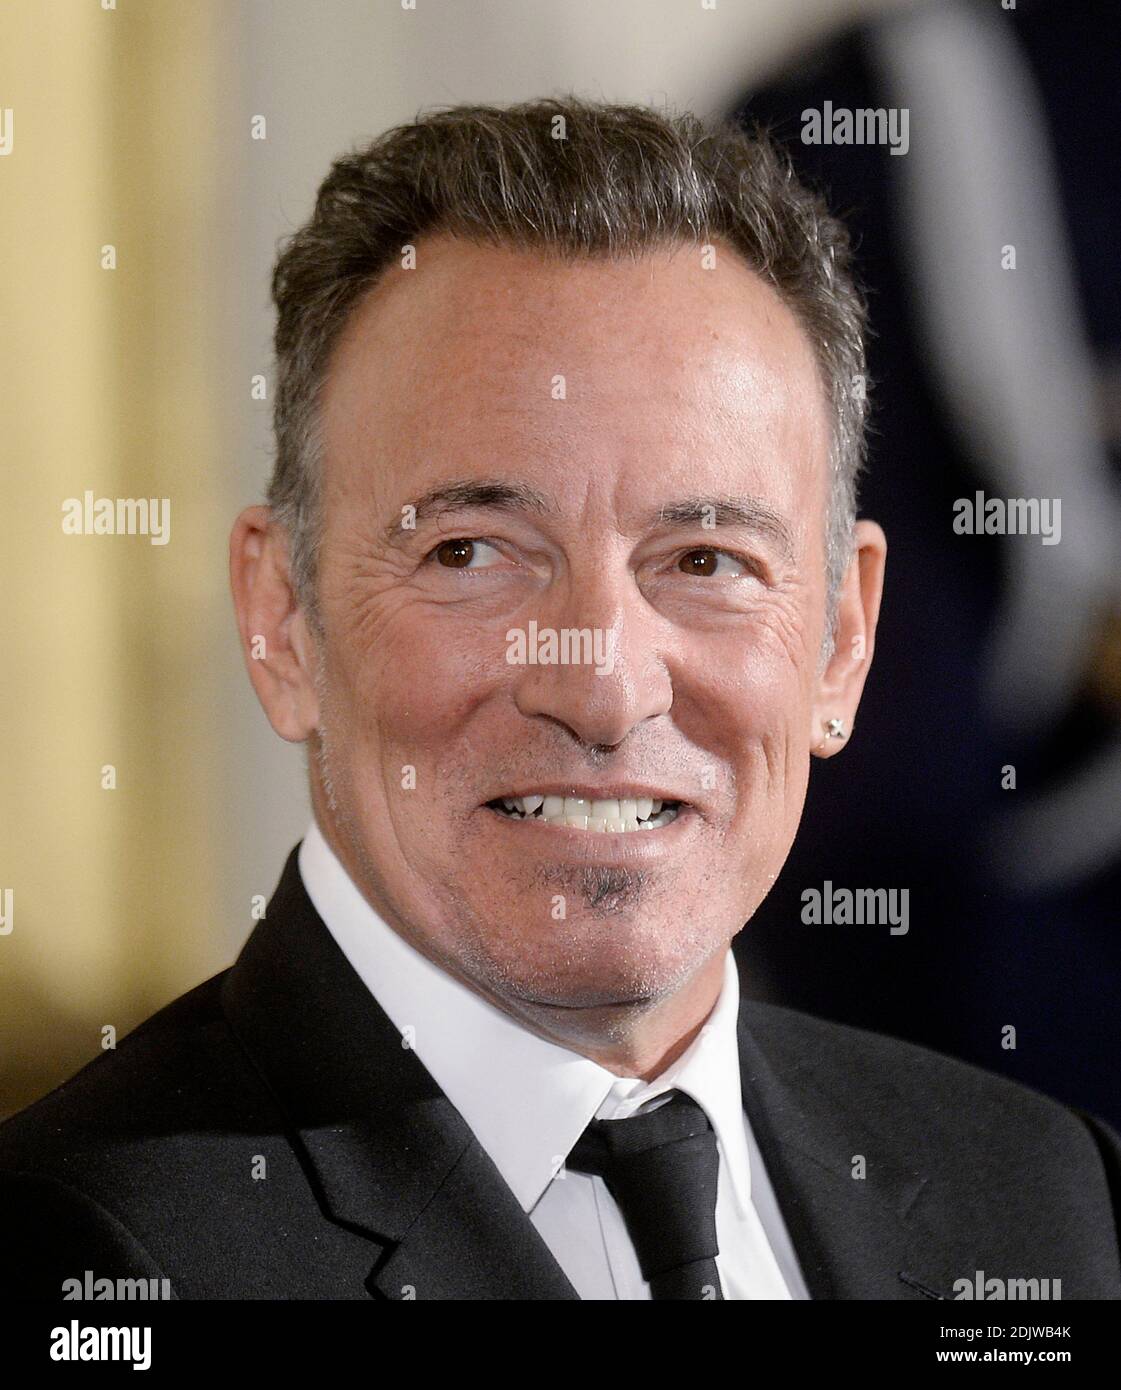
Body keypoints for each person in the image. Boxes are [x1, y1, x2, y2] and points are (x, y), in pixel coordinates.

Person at [1, 98, 1117, 1300]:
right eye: (472, 553)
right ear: (282, 621)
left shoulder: (1049, 1202)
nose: (600, 683)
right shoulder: (80, 1258)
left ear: (840, 639)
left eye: (704, 563)